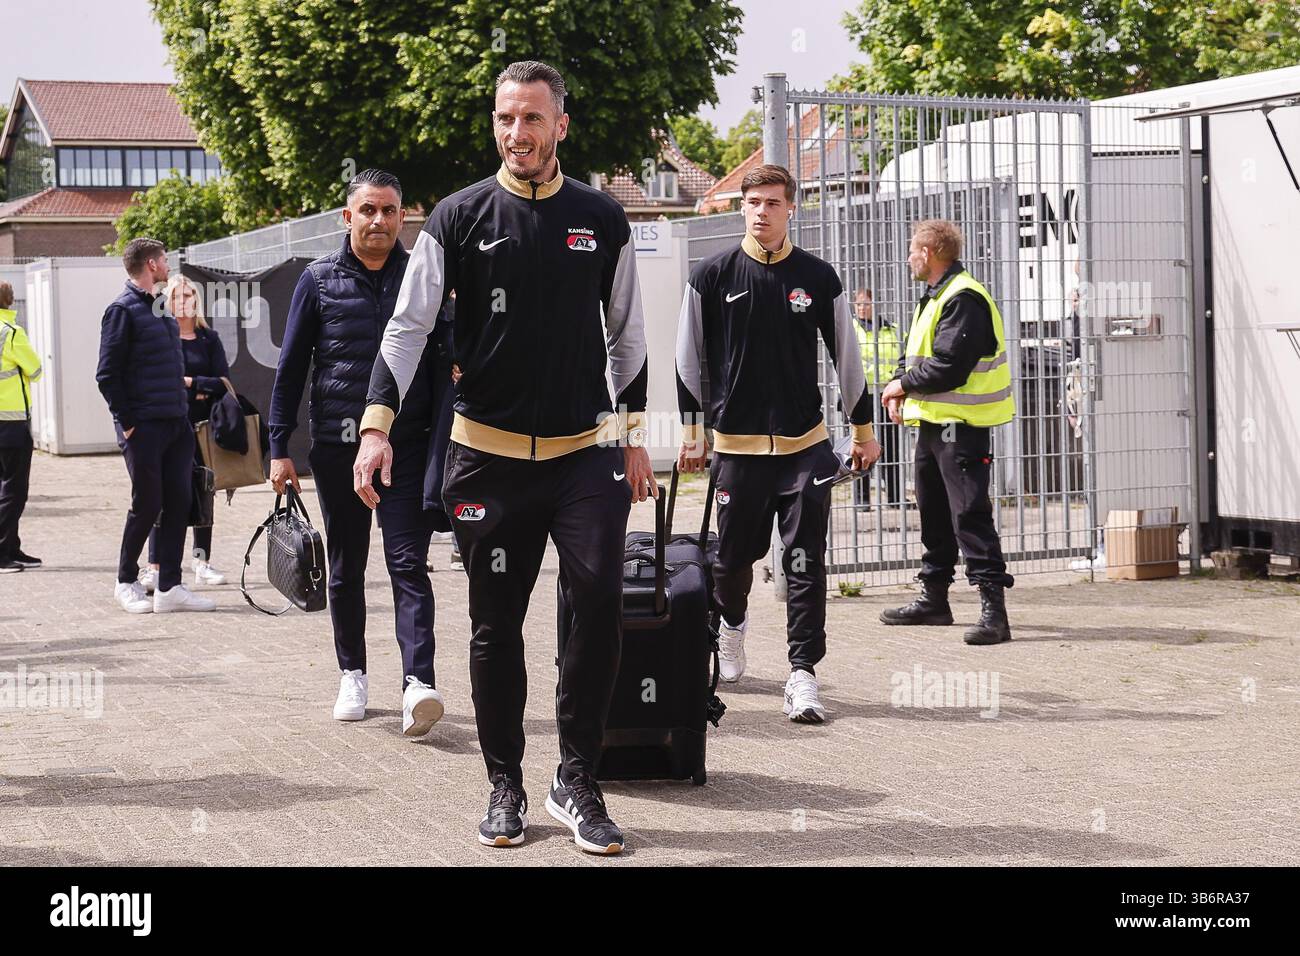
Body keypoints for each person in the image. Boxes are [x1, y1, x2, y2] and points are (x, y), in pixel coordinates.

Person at [354, 60, 653, 855]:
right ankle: (505, 783)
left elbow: (626, 336)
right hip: (484, 462)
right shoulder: (456, 217)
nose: (516, 134)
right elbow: (407, 329)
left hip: (585, 457)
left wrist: (631, 440)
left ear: (561, 124)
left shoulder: (601, 218)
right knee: (496, 628)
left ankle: (577, 780)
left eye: (531, 119)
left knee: (596, 609)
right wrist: (377, 426)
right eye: (504, 119)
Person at [676, 163, 880, 724]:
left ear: (791, 208)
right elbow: (687, 359)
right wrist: (694, 432)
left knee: (805, 560)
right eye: (752, 202)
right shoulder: (711, 275)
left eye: (772, 202)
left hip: (804, 447)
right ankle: (732, 628)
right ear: (741, 207)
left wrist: (863, 432)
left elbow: (849, 359)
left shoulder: (817, 278)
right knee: (733, 561)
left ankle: (803, 673)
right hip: (735, 450)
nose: (761, 211)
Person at [269, 168, 449, 738]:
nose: (379, 221)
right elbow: (291, 368)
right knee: (346, 569)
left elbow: (446, 363)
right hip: (337, 449)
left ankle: (418, 683)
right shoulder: (318, 281)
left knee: (408, 565)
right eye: (367, 210)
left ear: (403, 218)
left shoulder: (421, 276)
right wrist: (279, 449)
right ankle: (353, 673)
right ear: (348, 217)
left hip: (409, 446)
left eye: (390, 211)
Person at [879, 219, 1016, 645]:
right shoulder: (935, 296)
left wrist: (902, 385)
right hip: (935, 426)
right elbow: (914, 351)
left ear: (930, 252)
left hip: (962, 428)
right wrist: (901, 384)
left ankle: (994, 611)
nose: (907, 258)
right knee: (934, 512)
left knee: (969, 514)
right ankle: (934, 598)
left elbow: (950, 365)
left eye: (911, 250)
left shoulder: (964, 298)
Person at [96, 238, 214, 614]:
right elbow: (107, 375)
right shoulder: (121, 310)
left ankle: (170, 587)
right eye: (163, 259)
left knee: (179, 502)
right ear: (150, 264)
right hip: (142, 427)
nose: (167, 264)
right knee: (146, 504)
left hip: (175, 426)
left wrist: (181, 412)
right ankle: (126, 580)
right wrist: (128, 422)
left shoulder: (162, 309)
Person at [137, 274, 230, 592]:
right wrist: (196, 386)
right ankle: (154, 566)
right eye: (177, 296)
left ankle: (201, 561)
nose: (184, 301)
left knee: (204, 493)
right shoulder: (162, 337)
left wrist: (191, 383)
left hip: (204, 430)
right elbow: (158, 381)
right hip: (167, 429)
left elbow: (222, 383)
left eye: (190, 295)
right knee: (159, 497)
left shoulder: (209, 339)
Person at [0, 282, 42, 573]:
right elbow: (36, 370)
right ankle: (3, 553)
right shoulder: (11, 332)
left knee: (3, 490)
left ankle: (12, 547)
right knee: (15, 490)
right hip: (11, 423)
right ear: (9, 301)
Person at [852, 288, 902, 512]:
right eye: (858, 304)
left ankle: (894, 497)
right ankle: (862, 498)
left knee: (891, 448)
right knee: (860, 448)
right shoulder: (851, 329)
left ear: (874, 304)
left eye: (866, 303)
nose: (862, 308)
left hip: (884, 395)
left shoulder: (891, 329)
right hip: (860, 396)